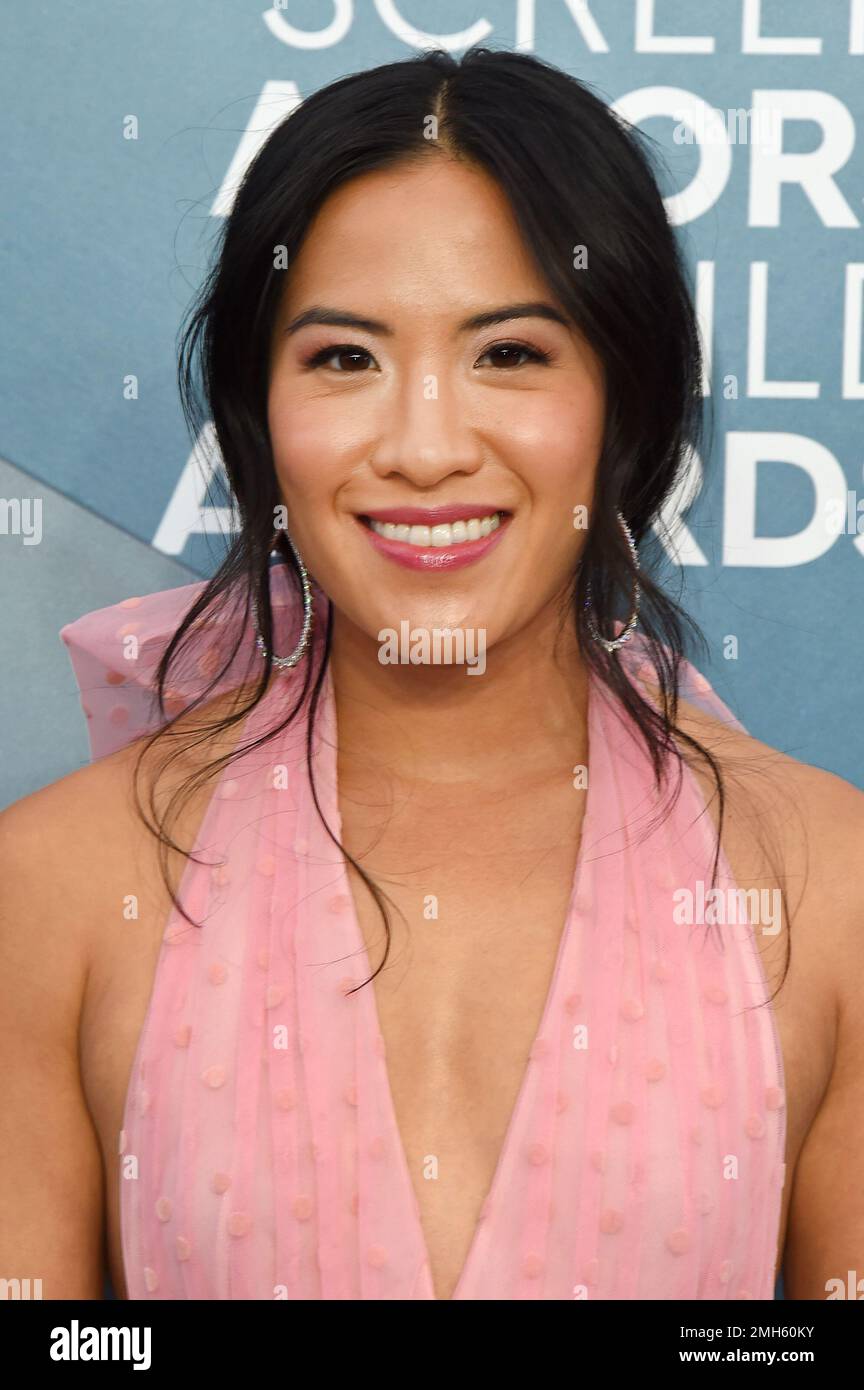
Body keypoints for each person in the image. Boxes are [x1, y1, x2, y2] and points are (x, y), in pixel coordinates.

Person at [1, 48, 861, 1302]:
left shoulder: (833, 892)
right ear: (257, 412)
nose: (423, 446)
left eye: (509, 353)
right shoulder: (54, 889)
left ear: (625, 403)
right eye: (345, 359)